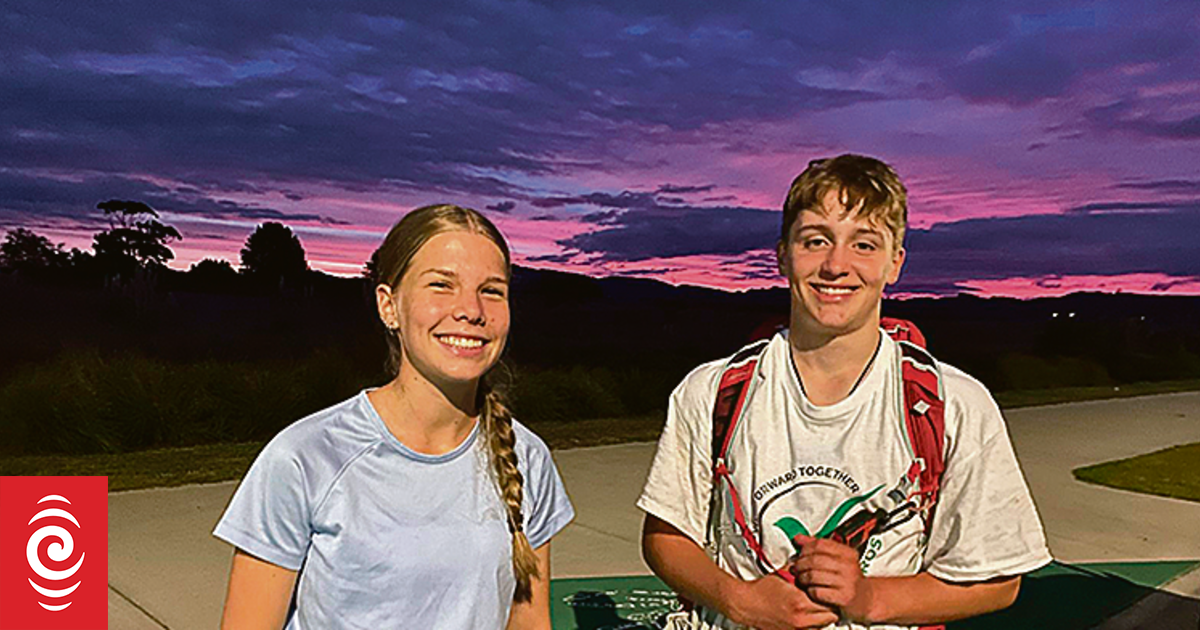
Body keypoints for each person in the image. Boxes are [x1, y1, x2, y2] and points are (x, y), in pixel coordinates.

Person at [638, 155, 1051, 630]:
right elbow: (666, 536)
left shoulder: (952, 402)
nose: (836, 265)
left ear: (895, 262)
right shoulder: (712, 391)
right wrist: (740, 600)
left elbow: (997, 581)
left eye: (864, 244)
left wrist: (868, 597)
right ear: (782, 255)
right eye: (815, 241)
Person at [213, 204, 574, 629]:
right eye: (441, 285)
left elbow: (528, 621)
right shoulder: (305, 458)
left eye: (492, 291)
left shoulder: (527, 459)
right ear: (389, 306)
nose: (471, 310)